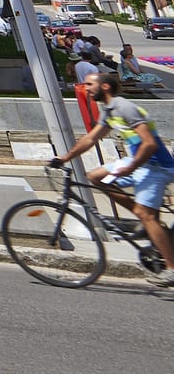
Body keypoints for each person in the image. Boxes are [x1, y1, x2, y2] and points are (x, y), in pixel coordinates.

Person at [50, 71, 174, 287]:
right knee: (95, 176)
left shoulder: (124, 107)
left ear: (105, 86)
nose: (86, 88)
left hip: (156, 166)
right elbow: (90, 139)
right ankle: (144, 218)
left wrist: (130, 168)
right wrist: (64, 158)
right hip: (138, 162)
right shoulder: (109, 111)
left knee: (146, 215)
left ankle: (171, 269)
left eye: (89, 84)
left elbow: (150, 144)